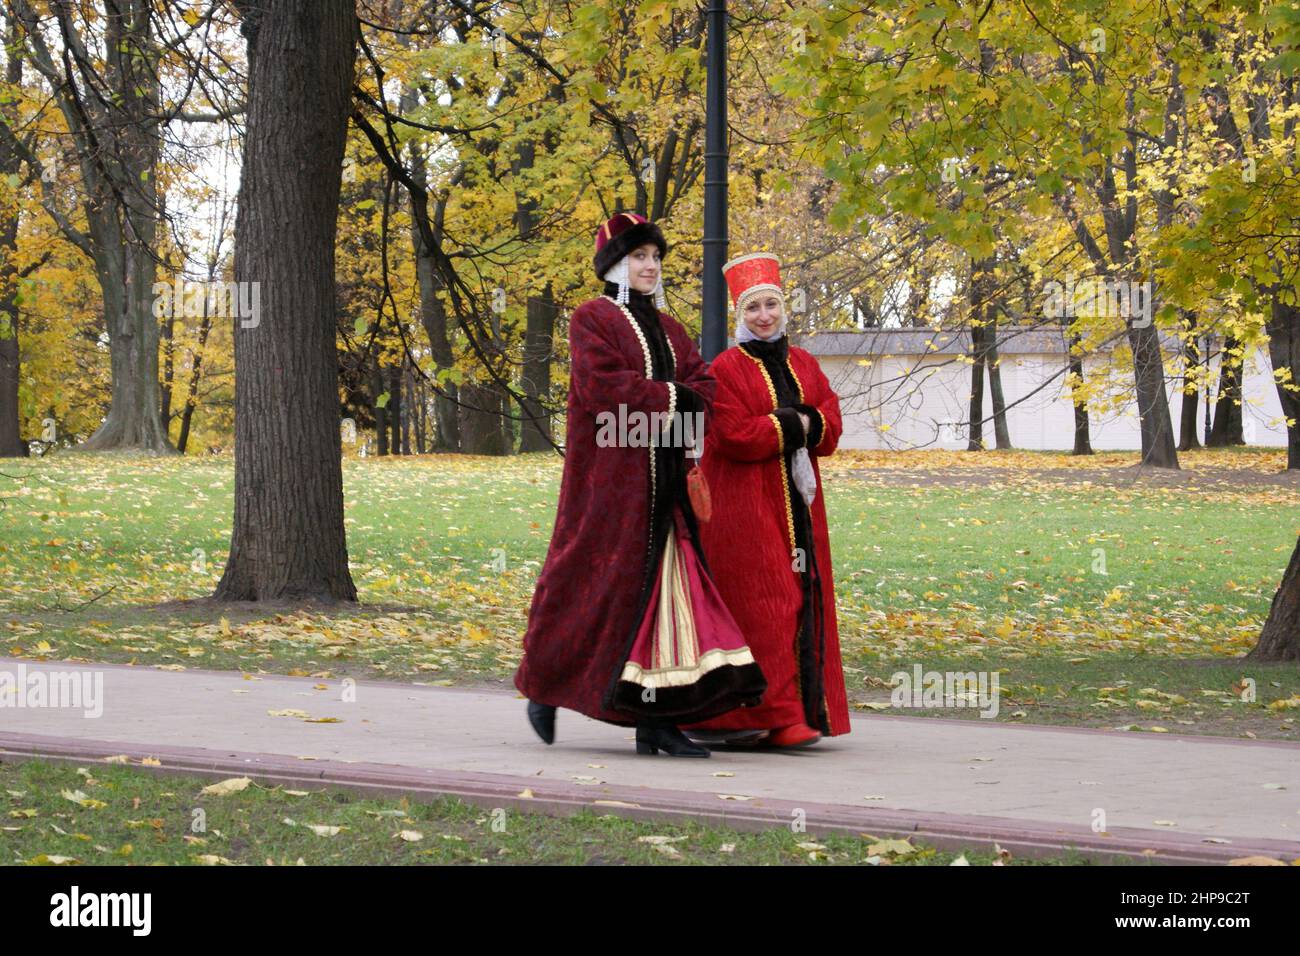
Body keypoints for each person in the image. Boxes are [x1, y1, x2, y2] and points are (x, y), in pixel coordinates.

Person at [514, 213, 766, 757]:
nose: (651, 266)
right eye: (639, 257)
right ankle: (545, 684)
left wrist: (669, 398)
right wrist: (674, 398)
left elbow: (705, 387)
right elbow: (609, 390)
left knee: (668, 600)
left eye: (655, 257)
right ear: (613, 265)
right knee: (585, 583)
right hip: (607, 484)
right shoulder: (592, 319)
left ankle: (657, 721)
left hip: (667, 486)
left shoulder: (672, 328)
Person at [680, 252, 851, 748]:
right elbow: (735, 435)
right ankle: (761, 716)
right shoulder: (725, 368)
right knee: (769, 603)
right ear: (740, 314)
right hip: (745, 508)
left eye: (771, 305)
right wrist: (798, 422)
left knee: (803, 600)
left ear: (783, 308)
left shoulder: (804, 362)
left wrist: (806, 423)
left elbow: (832, 425)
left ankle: (796, 712)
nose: (764, 315)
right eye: (753, 307)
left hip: (799, 508)